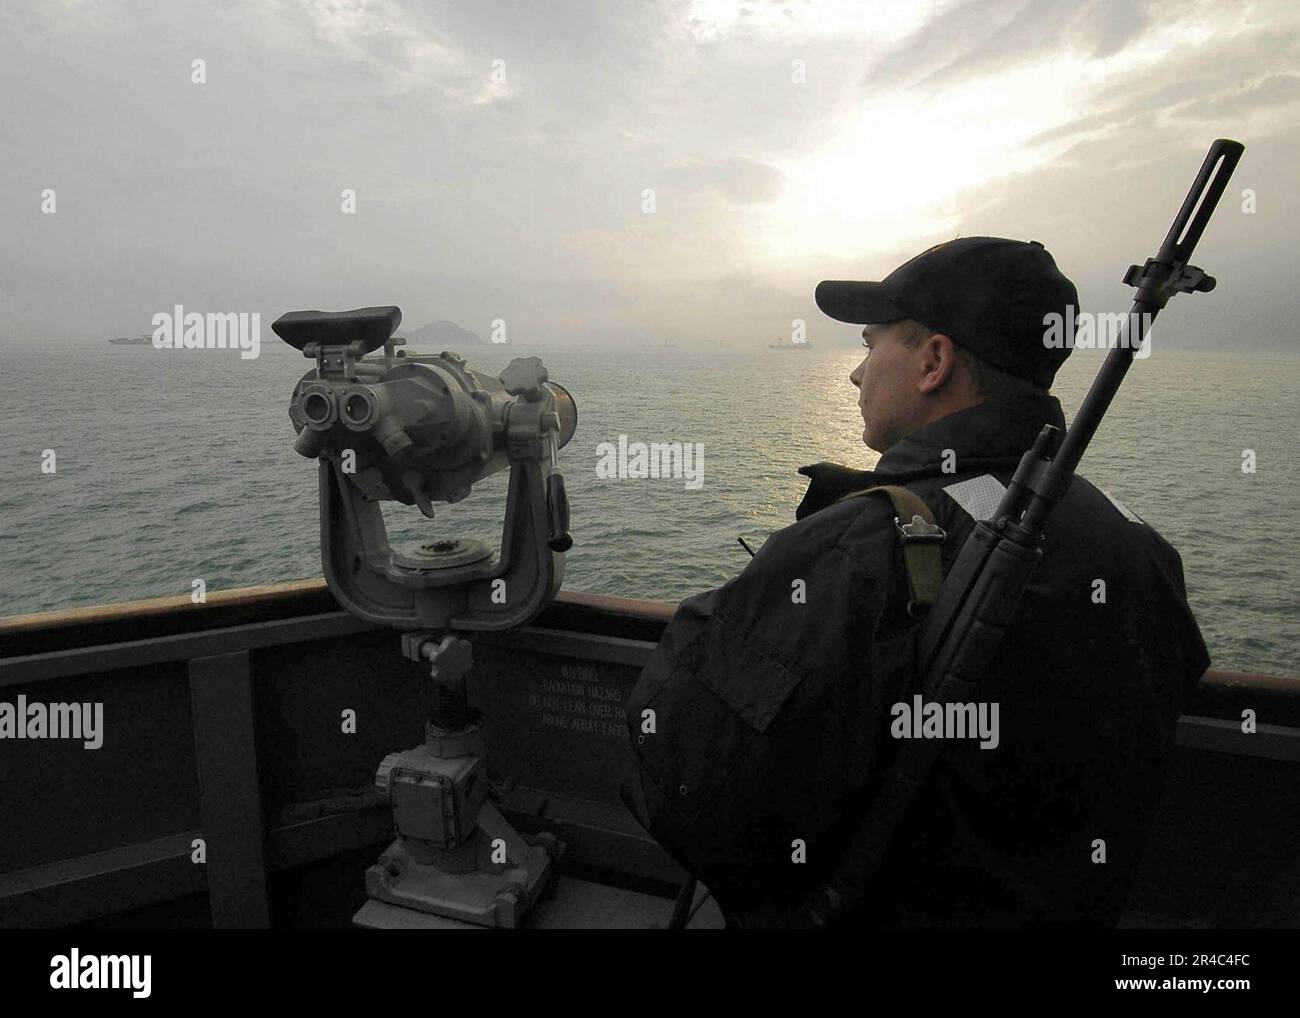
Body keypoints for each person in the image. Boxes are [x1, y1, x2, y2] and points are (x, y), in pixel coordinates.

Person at [625, 236, 1210, 927]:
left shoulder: (864, 545)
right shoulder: (1135, 544)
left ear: (933, 361)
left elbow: (688, 792)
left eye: (871, 345)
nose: (854, 375)